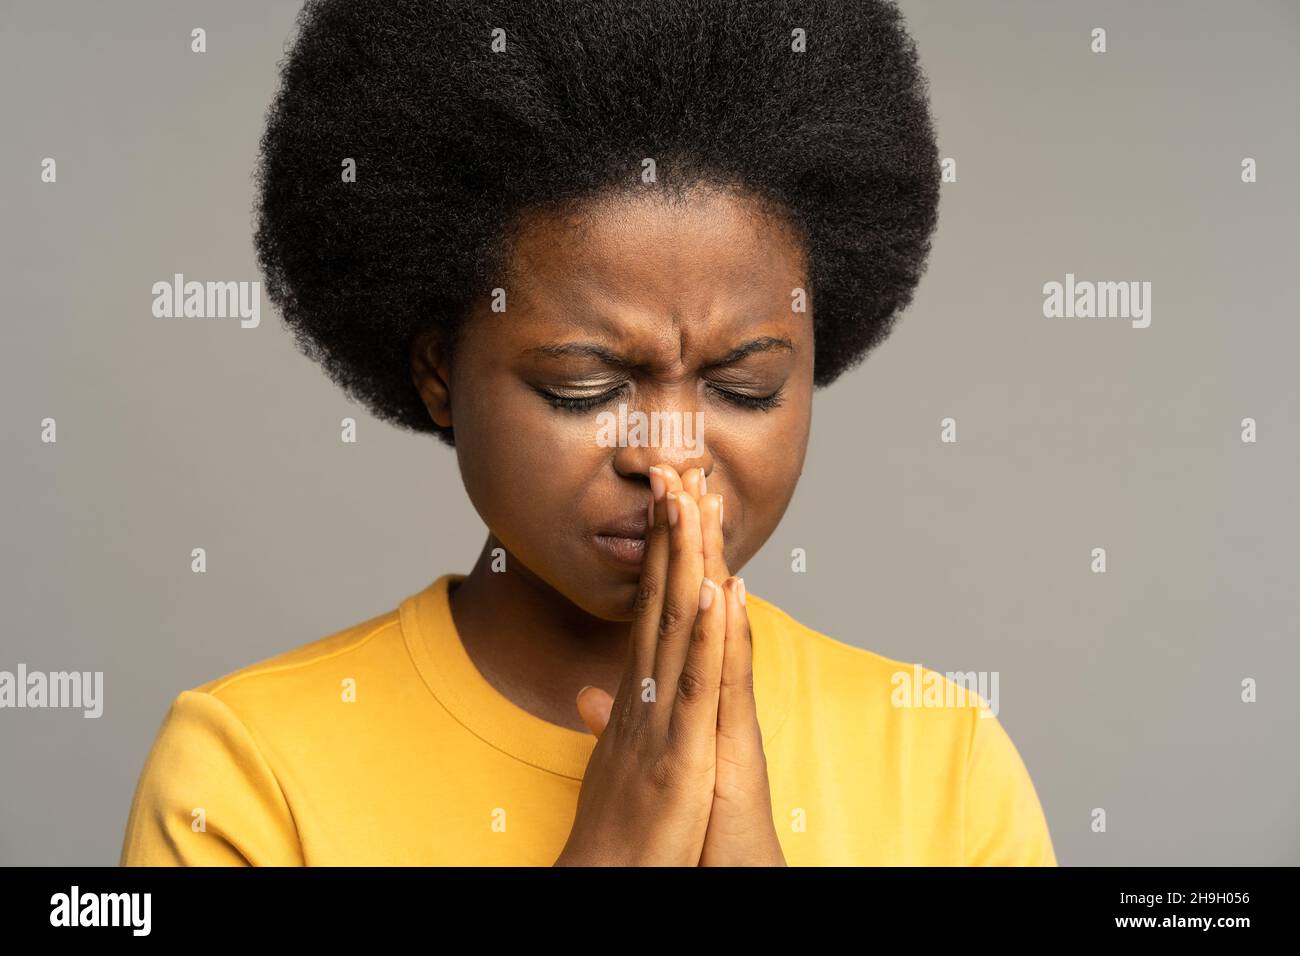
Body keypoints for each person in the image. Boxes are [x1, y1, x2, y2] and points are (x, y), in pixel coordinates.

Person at [120, 0, 1055, 866]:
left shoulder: (944, 763)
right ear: (440, 372)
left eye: (746, 385)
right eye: (584, 384)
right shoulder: (249, 777)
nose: (671, 454)